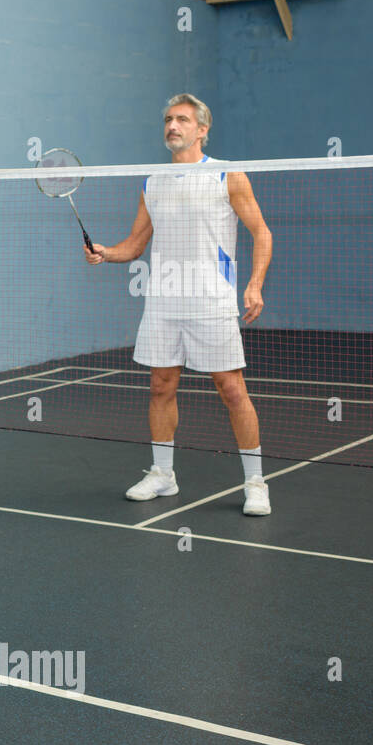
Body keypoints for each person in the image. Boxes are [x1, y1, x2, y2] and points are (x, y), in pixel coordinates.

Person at [85, 93, 273, 515]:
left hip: (212, 299)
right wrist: (105, 252)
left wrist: (255, 284)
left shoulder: (227, 176)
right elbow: (135, 246)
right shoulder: (153, 182)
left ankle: (255, 482)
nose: (173, 125)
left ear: (202, 129)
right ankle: (163, 474)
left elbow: (262, 232)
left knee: (231, 389)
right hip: (164, 302)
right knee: (160, 387)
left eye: (183, 120)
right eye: (169, 119)